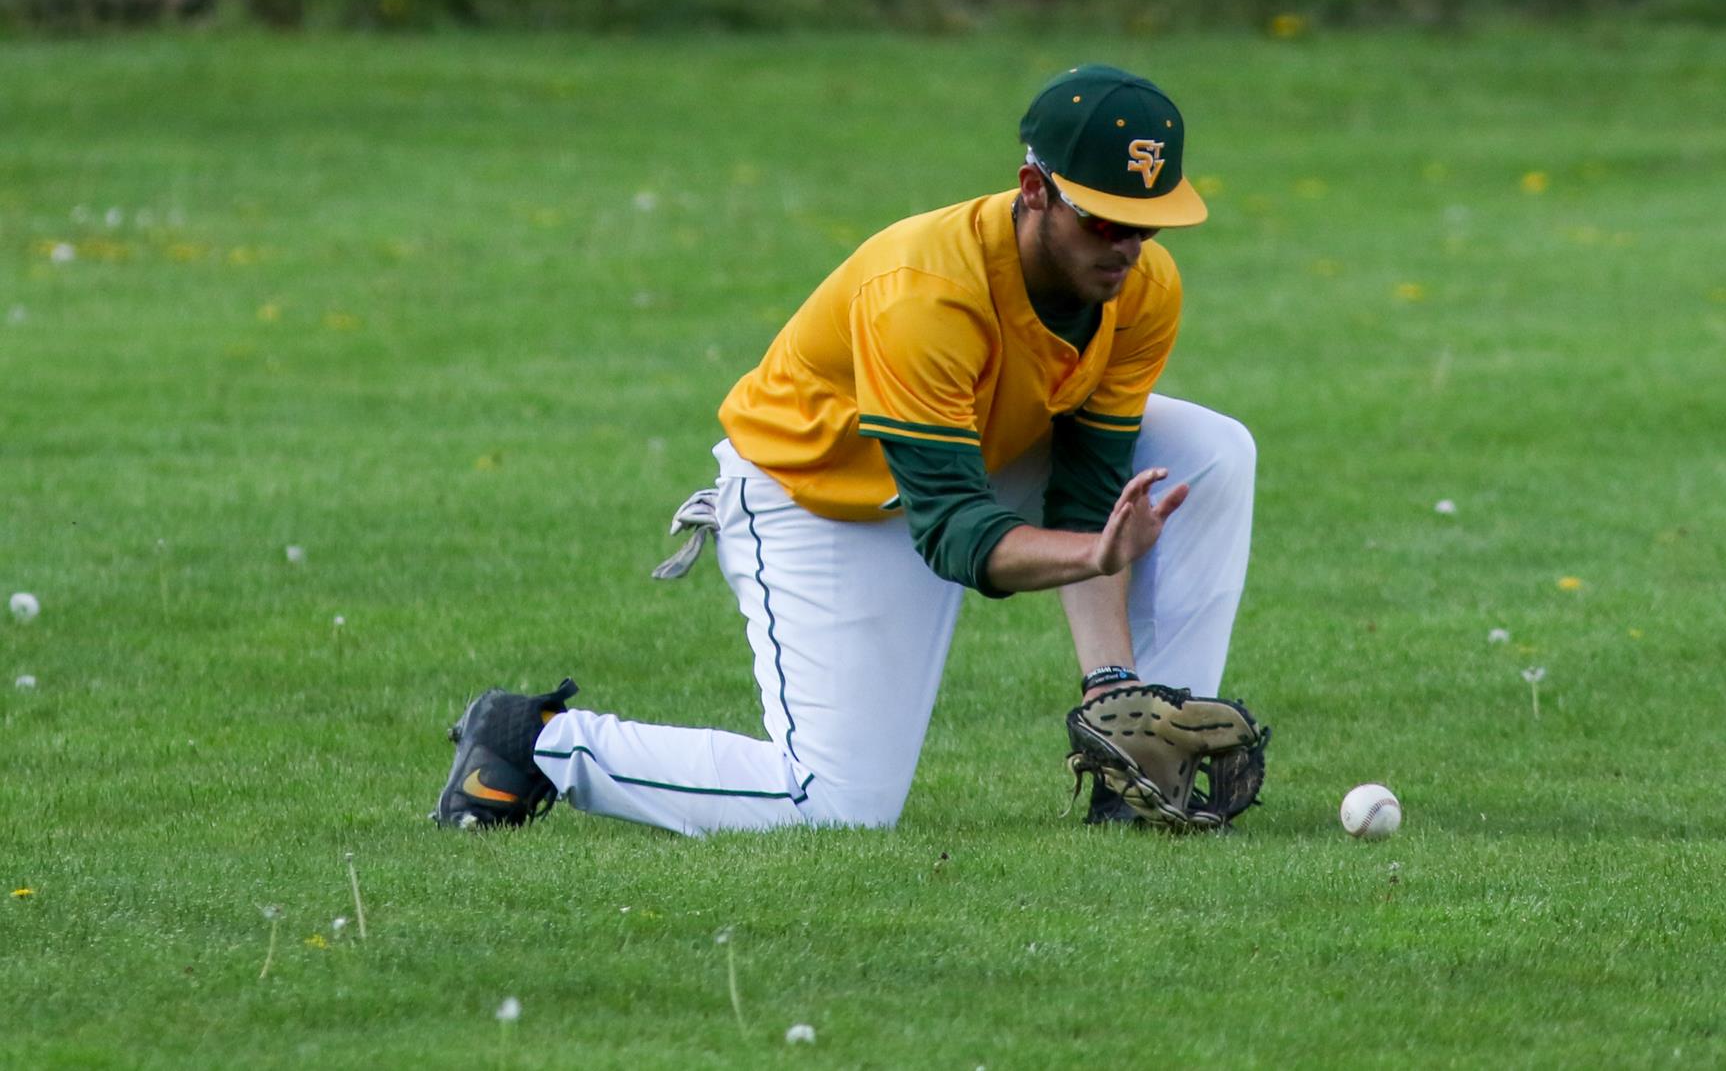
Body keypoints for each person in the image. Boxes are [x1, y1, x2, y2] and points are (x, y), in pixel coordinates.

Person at [433, 64, 1257, 834]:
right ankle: (536, 740)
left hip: (978, 462)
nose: (1128, 246)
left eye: (1148, 222)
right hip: (821, 496)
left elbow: (1091, 490)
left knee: (1213, 449)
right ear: (1034, 190)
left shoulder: (1141, 288)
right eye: (1104, 218)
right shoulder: (926, 292)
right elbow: (953, 533)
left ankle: (1147, 766)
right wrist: (1088, 548)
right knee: (832, 803)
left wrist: (1111, 679)